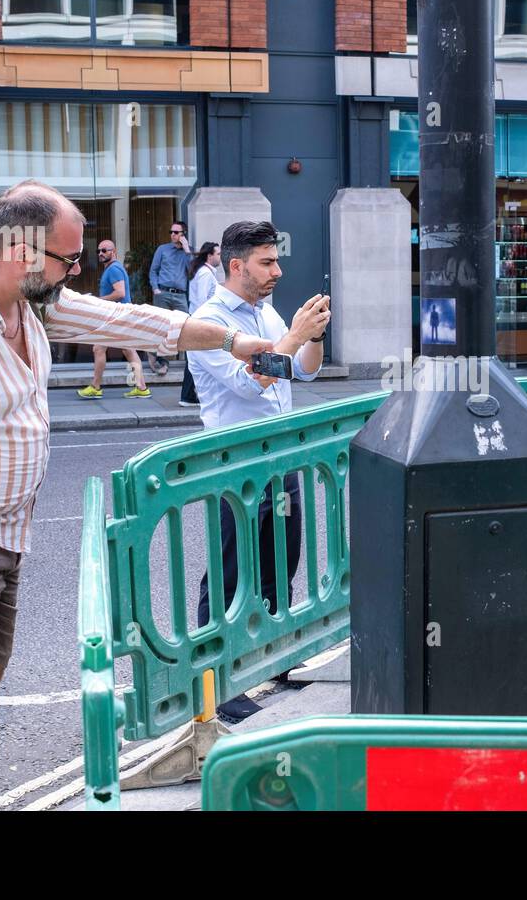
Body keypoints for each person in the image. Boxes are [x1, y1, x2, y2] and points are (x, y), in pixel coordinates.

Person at [0, 180, 274, 810]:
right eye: (66, 260)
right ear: (23, 250)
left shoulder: (28, 305)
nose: (74, 273)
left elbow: (127, 319)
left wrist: (228, 339)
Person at [188, 220, 330, 722]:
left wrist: (311, 337)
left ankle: (277, 657)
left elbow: (303, 370)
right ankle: (216, 682)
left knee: (278, 563)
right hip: (233, 464)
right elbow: (250, 386)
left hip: (280, 459)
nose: (278, 269)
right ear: (235, 265)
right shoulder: (208, 322)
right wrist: (292, 336)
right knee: (229, 571)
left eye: (276, 259)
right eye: (267, 262)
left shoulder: (265, 312)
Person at [77, 239, 152, 399]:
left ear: (114, 251)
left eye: (105, 250)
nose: (101, 254)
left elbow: (120, 293)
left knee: (99, 349)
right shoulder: (113, 268)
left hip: (116, 316)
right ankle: (141, 387)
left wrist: (98, 300)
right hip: (119, 316)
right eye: (99, 251)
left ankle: (95, 387)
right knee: (128, 350)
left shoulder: (114, 269)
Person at [179, 241, 222, 408]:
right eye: (217, 254)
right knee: (198, 358)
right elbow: (203, 301)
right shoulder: (205, 274)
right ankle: (188, 395)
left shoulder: (205, 272)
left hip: (199, 320)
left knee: (196, 358)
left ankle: (189, 395)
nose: (219, 256)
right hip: (202, 321)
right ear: (210, 256)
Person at [148, 220, 193, 378]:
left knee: (186, 327)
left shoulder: (188, 253)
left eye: (176, 232)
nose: (172, 235)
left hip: (180, 295)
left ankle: (192, 363)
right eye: (171, 232)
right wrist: (155, 288)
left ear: (183, 235)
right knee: (162, 328)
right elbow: (153, 270)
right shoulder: (163, 249)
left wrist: (187, 249)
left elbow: (192, 270)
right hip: (163, 293)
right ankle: (162, 362)